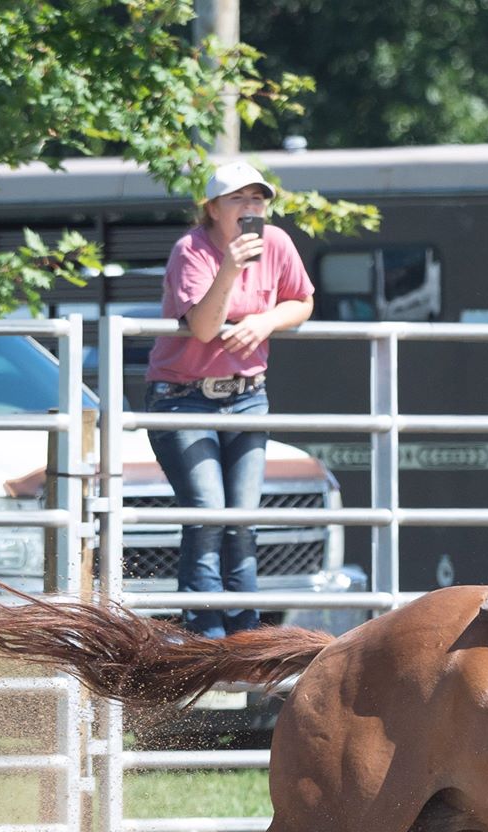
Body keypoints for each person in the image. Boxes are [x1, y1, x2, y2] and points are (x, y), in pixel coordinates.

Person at [144, 160, 315, 638]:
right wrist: (231, 267)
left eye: (258, 199)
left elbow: (302, 300)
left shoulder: (277, 243)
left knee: (242, 518)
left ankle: (245, 634)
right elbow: (201, 327)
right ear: (213, 208)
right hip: (182, 397)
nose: (250, 207)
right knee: (209, 513)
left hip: (247, 397)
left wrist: (266, 321)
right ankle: (204, 635)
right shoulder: (192, 250)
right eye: (238, 199)